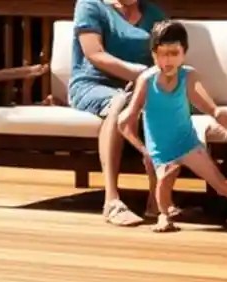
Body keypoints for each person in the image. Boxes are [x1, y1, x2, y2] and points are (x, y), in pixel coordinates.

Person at [118, 20, 227, 233]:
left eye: (174, 53)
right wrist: (144, 151)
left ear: (184, 53)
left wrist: (216, 113)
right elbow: (125, 121)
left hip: (187, 142)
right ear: (153, 54)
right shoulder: (146, 80)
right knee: (163, 183)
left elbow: (200, 98)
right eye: (162, 53)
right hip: (160, 149)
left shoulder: (187, 75)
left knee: (217, 181)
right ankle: (164, 215)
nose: (167, 60)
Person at [69, 0, 166, 227]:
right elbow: (95, 54)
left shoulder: (154, 14)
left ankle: (157, 201)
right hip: (92, 84)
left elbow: (165, 55)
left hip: (138, 87)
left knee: (161, 105)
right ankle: (111, 201)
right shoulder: (90, 5)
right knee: (120, 101)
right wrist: (138, 73)